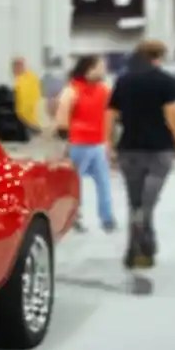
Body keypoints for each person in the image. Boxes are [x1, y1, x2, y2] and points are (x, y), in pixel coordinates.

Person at [109, 40, 175, 269]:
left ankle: (136, 250)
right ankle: (145, 246)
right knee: (147, 203)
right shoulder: (166, 81)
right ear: (158, 57)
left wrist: (109, 143)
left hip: (129, 148)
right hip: (159, 150)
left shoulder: (123, 81)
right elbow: (173, 115)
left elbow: (111, 115)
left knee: (135, 203)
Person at [55, 55, 115, 233]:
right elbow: (62, 114)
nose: (104, 70)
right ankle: (74, 218)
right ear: (89, 69)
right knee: (75, 184)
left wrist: (108, 141)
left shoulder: (104, 90)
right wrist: (65, 137)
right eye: (100, 66)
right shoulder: (72, 90)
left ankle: (107, 218)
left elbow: (108, 116)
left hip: (97, 143)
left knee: (104, 182)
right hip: (79, 144)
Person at [13, 57, 42, 133]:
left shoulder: (27, 78)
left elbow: (32, 96)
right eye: (16, 66)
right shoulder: (21, 79)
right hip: (26, 118)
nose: (17, 68)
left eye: (19, 65)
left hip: (27, 118)